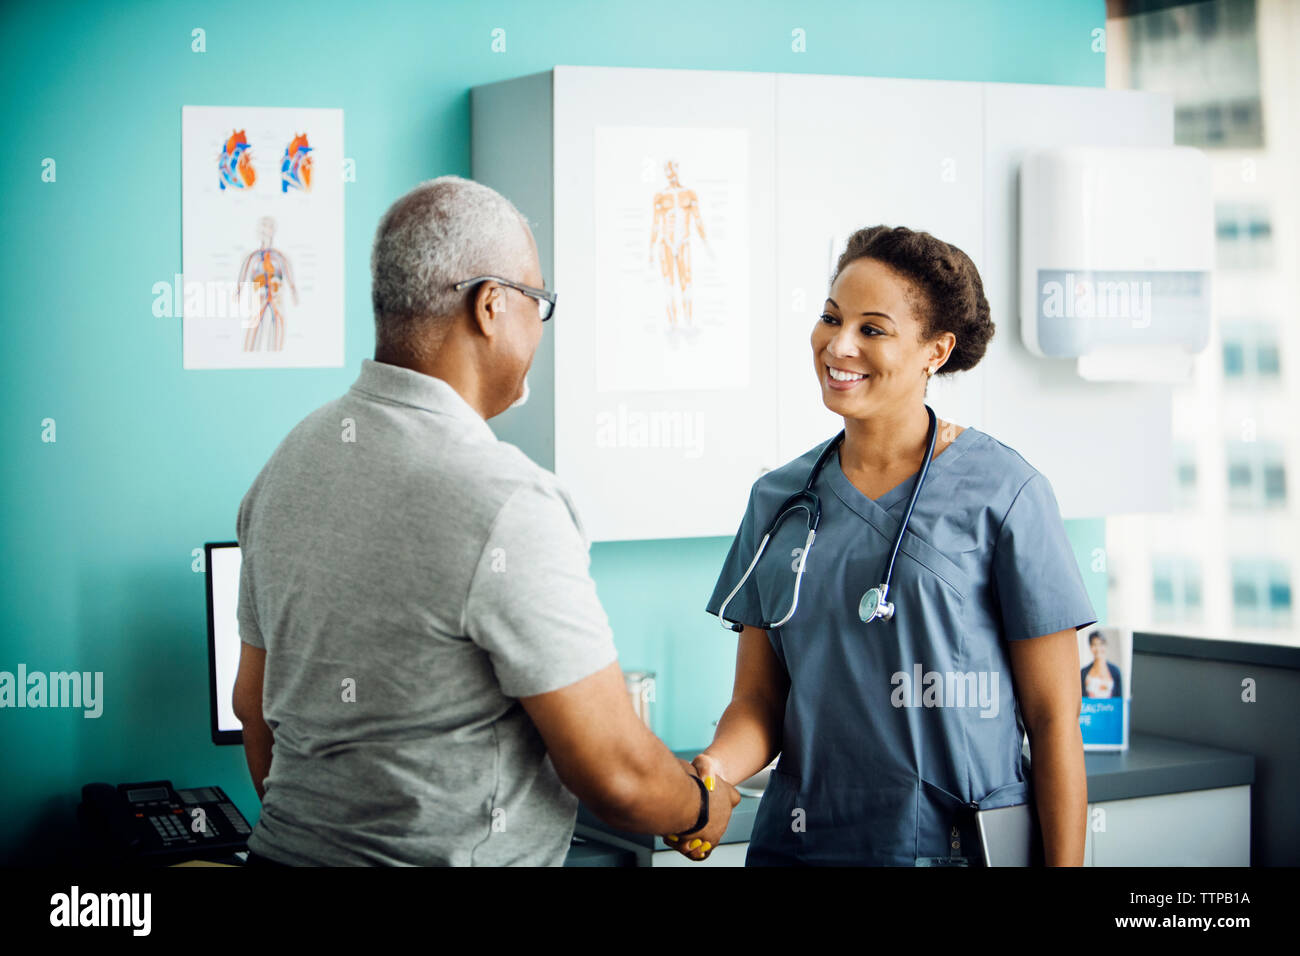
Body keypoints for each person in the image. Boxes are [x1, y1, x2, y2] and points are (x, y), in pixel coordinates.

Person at [232, 175, 738, 866]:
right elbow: (617, 774)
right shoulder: (506, 499)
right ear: (491, 306)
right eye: (540, 304)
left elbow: (254, 709)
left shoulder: (289, 463)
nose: (540, 330)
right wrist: (702, 806)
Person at [696, 225, 1098, 866]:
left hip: (947, 849)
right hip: (800, 849)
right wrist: (714, 772)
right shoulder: (779, 500)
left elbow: (1054, 722)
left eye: (872, 329)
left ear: (935, 351)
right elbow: (760, 701)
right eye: (831, 317)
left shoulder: (1006, 492)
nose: (839, 344)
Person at [1081, 630, 1122, 698]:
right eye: (1094, 644)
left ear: (1105, 645)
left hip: (1110, 708)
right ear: (1090, 647)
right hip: (1090, 708)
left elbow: (1119, 700)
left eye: (1101, 644)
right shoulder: (1083, 672)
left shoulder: (1115, 671)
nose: (1098, 648)